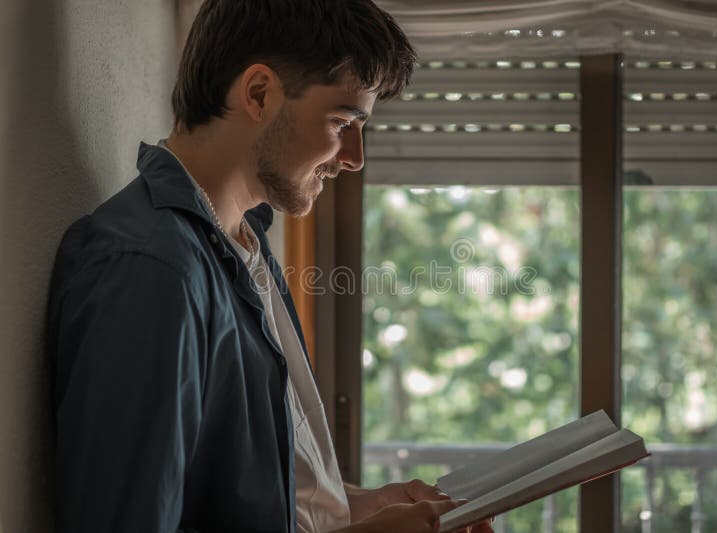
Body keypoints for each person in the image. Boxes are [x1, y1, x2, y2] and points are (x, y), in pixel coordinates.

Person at [46, 1, 494, 532]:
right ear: (258, 93)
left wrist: (354, 505)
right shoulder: (153, 272)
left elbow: (238, 490)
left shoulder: (243, 241)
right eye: (342, 121)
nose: (355, 157)